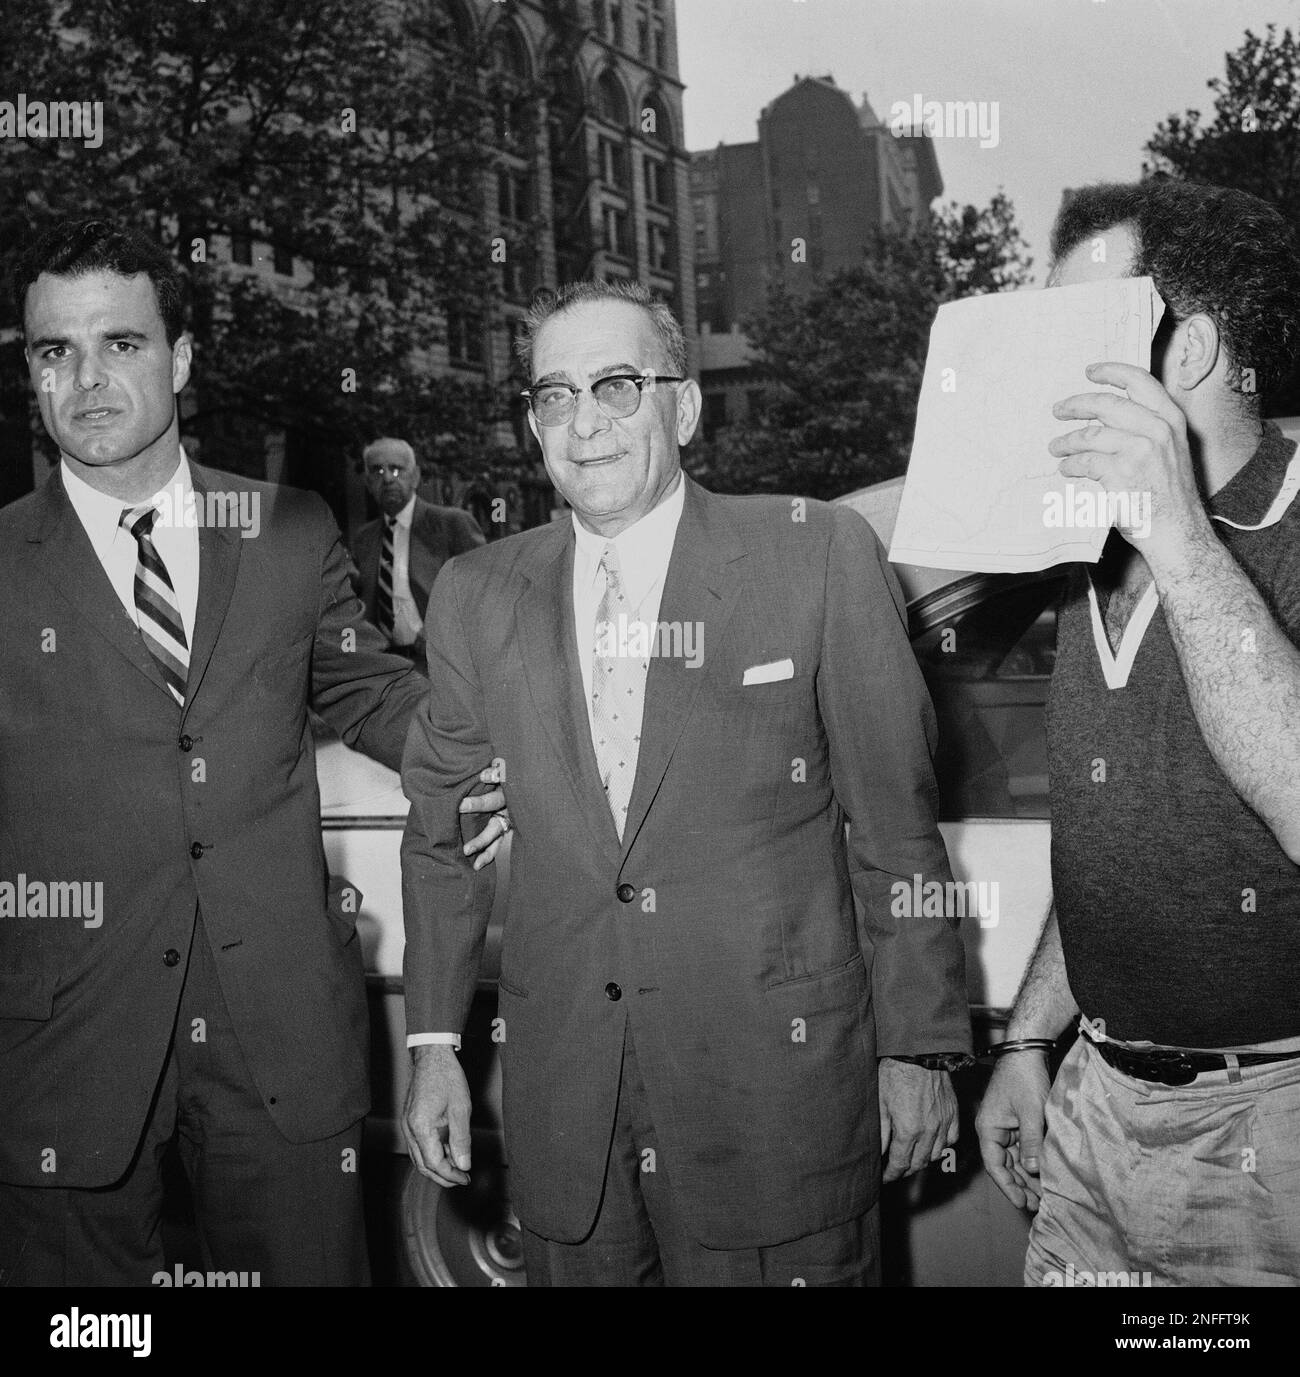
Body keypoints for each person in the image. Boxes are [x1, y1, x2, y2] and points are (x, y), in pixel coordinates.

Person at [400, 279, 971, 1287]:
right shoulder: (476, 593)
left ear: (684, 406)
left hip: (774, 1104)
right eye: (553, 396)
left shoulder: (813, 554)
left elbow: (897, 824)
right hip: (568, 1113)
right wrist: (435, 1041)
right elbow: (441, 835)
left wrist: (919, 1049)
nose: (583, 426)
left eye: (616, 387)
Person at [0, 218, 507, 1287]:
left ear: (180, 360)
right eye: (55, 352)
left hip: (278, 1030)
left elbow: (367, 691)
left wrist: (510, 759)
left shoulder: (283, 525)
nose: (87, 379)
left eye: (122, 344)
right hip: (62, 1046)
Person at [975, 180, 1300, 1286]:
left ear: (1192, 349)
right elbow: (1117, 843)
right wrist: (1028, 1037)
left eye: (1078, 328)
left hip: (1267, 1130)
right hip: (1094, 1103)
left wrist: (1180, 536)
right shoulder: (1083, 547)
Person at [351, 437, 484, 658]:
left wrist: (440, 629)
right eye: (377, 471)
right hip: (387, 665)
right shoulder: (364, 538)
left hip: (443, 659)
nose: (387, 479)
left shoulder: (450, 523)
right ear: (367, 483)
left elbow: (481, 591)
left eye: (396, 469)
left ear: (415, 476)